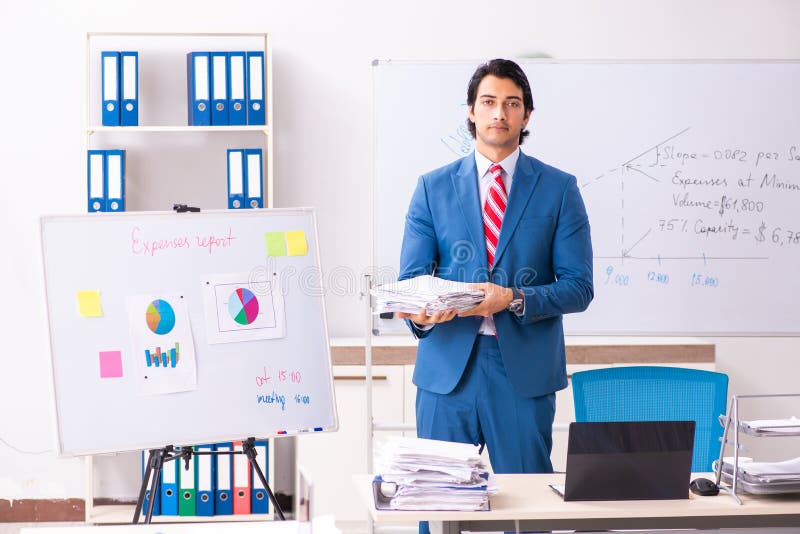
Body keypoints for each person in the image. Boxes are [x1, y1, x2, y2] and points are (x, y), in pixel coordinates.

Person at [397, 59, 594, 480]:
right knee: (438, 503)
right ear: (471, 111)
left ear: (526, 114)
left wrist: (514, 298)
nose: (499, 113)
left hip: (523, 373)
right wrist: (421, 315)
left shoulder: (559, 189)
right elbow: (411, 281)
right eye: (488, 102)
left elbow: (579, 287)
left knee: (527, 513)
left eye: (511, 103)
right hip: (448, 371)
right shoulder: (432, 188)